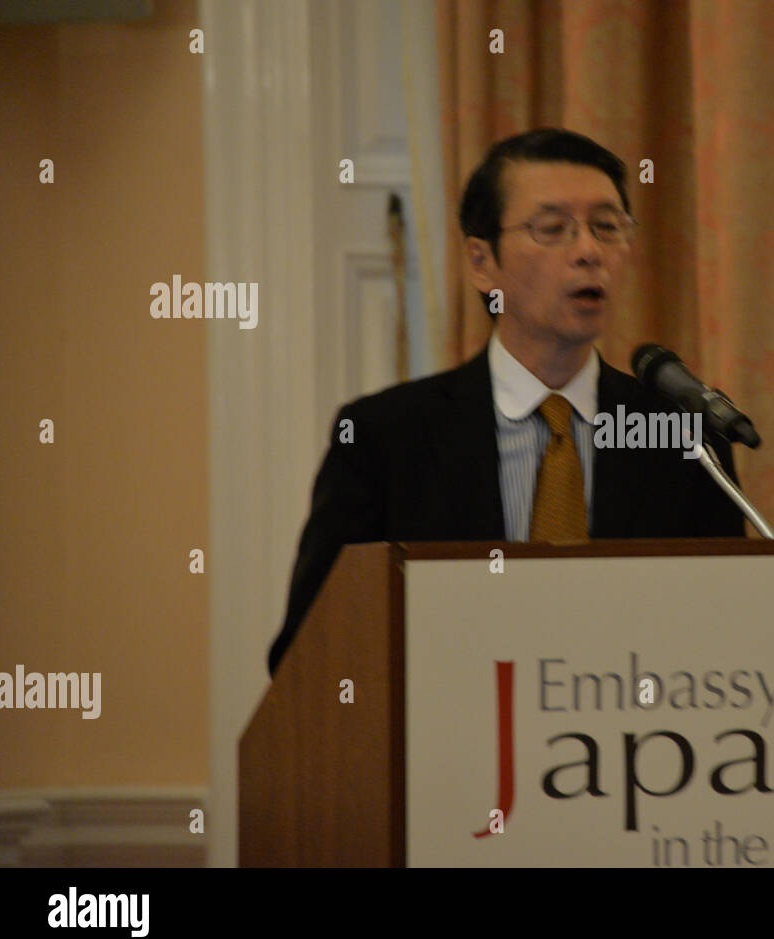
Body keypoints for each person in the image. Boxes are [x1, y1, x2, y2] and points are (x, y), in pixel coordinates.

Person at [268, 128, 745, 676]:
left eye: (607, 228)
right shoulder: (384, 439)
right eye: (553, 229)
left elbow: (724, 637)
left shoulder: (684, 438)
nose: (589, 252)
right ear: (481, 261)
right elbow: (308, 650)